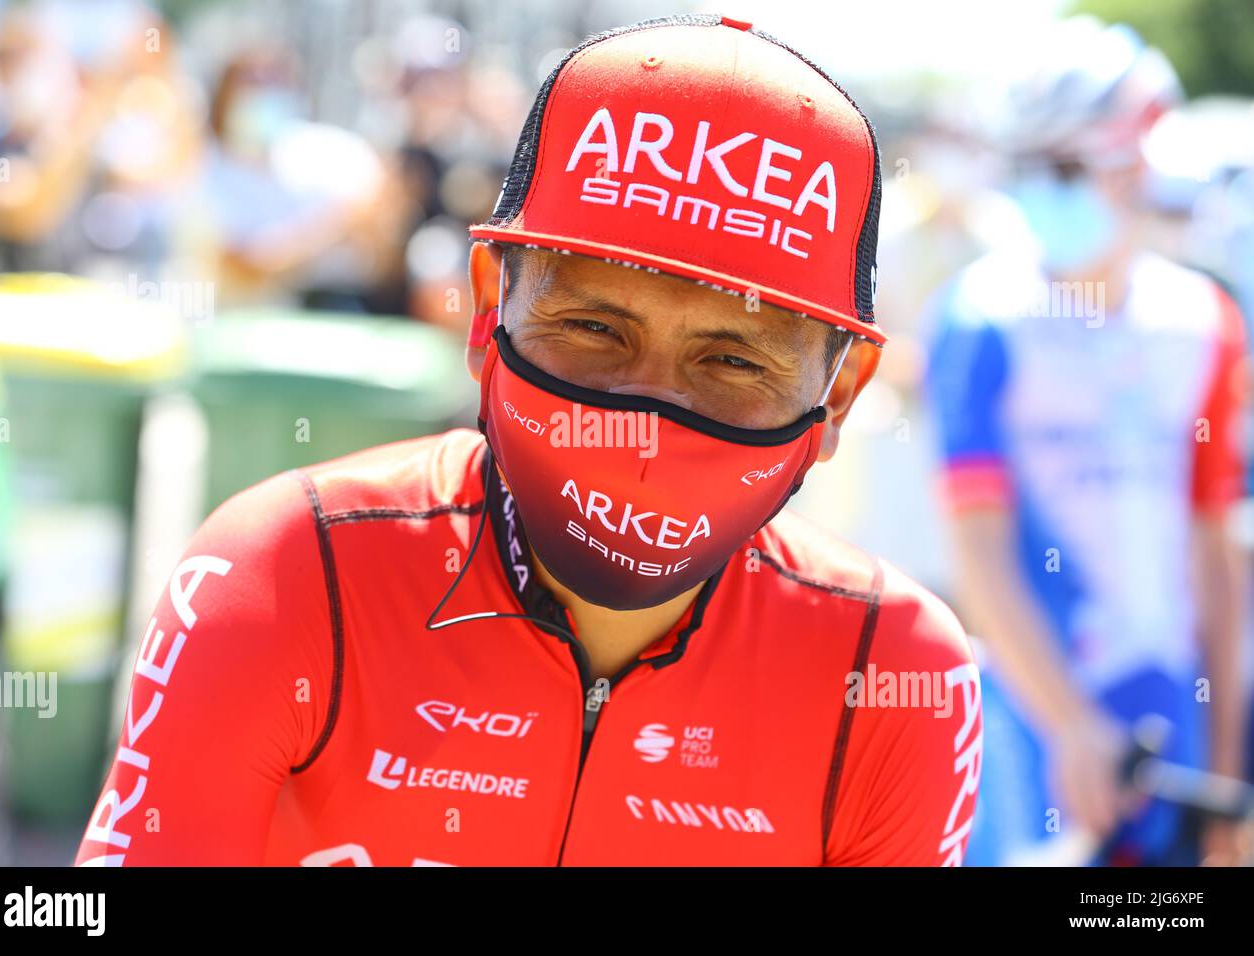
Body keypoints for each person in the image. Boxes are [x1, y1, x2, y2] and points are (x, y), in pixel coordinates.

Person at [74, 14, 981, 867]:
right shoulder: (288, 575)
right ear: (484, 306)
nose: (643, 418)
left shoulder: (894, 677)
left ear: (841, 398)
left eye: (733, 361)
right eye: (593, 327)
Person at [923, 17, 1250, 866]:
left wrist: (1222, 758)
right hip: (1037, 712)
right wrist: (1069, 722)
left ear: (1138, 162)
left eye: (1067, 168)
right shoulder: (979, 317)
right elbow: (977, 547)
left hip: (1176, 701)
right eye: (1028, 167)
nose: (1044, 191)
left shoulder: (1203, 322)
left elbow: (1213, 549)